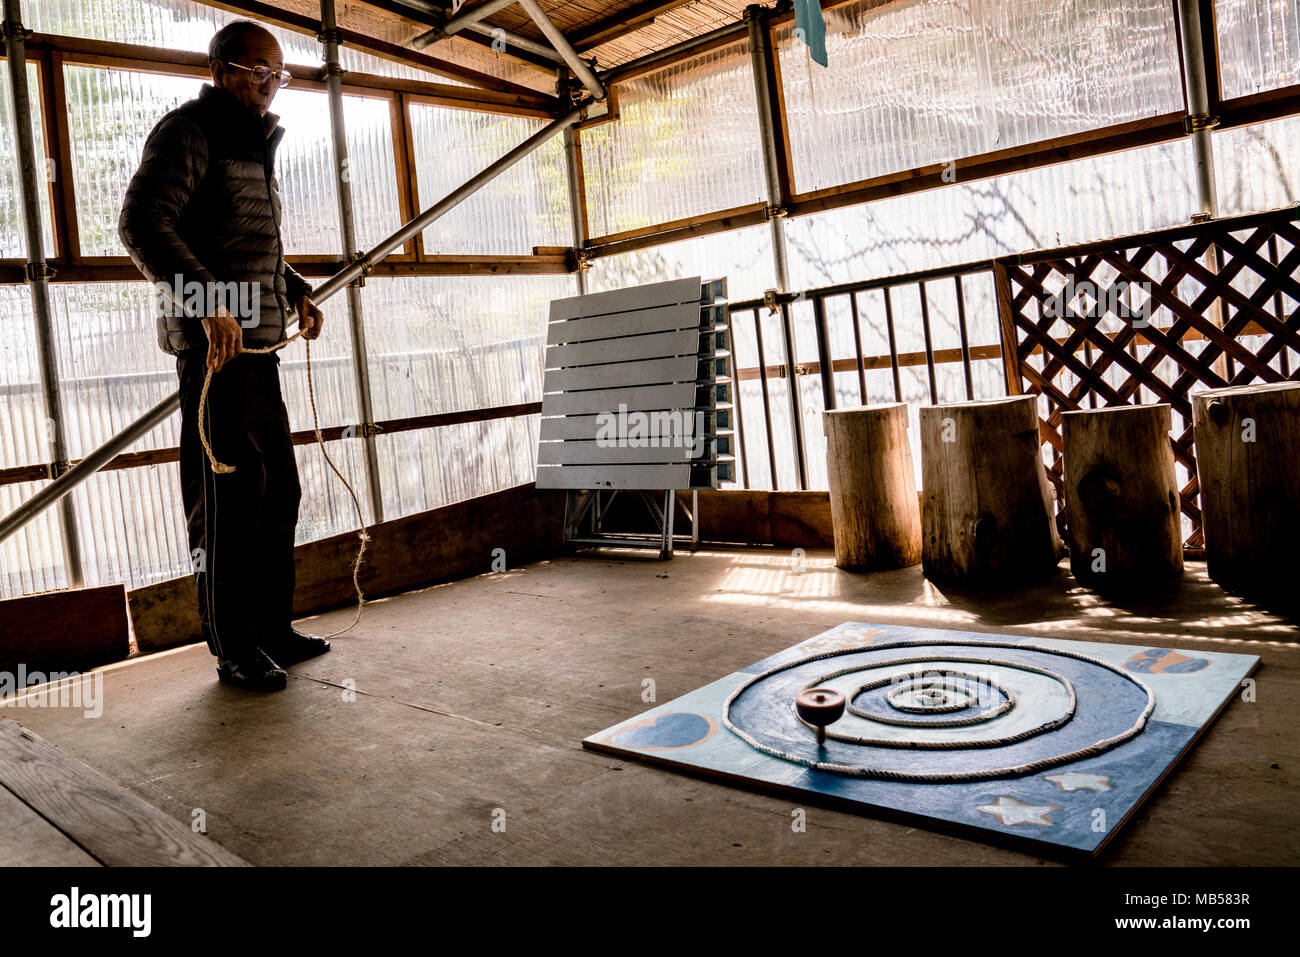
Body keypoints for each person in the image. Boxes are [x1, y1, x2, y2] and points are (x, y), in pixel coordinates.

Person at [119, 20, 331, 691]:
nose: (270, 85)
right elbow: (142, 222)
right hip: (214, 352)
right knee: (228, 500)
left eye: (279, 74)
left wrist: (294, 290)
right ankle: (233, 647)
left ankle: (270, 629)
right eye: (257, 71)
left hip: (258, 343)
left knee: (279, 492)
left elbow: (245, 243)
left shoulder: (253, 142)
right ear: (220, 69)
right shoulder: (189, 131)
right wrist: (208, 303)